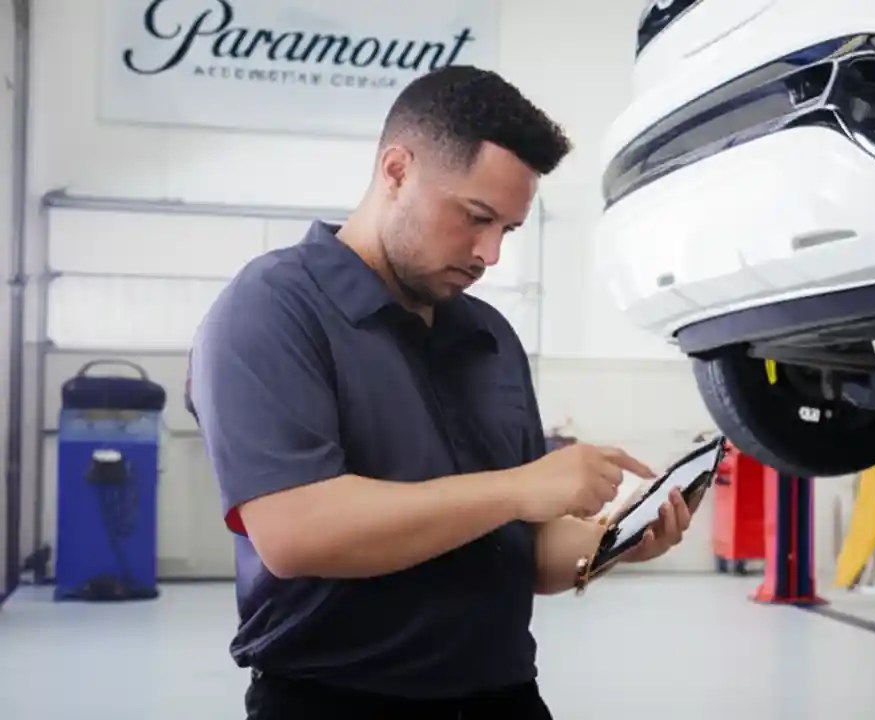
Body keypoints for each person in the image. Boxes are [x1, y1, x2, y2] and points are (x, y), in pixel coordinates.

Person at [186, 65, 699, 719]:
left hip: (505, 697)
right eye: (475, 217)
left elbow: (526, 554)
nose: (490, 255)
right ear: (397, 171)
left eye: (508, 230)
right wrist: (521, 487)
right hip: (335, 704)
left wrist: (616, 542)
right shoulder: (272, 309)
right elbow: (294, 533)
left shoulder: (490, 337)